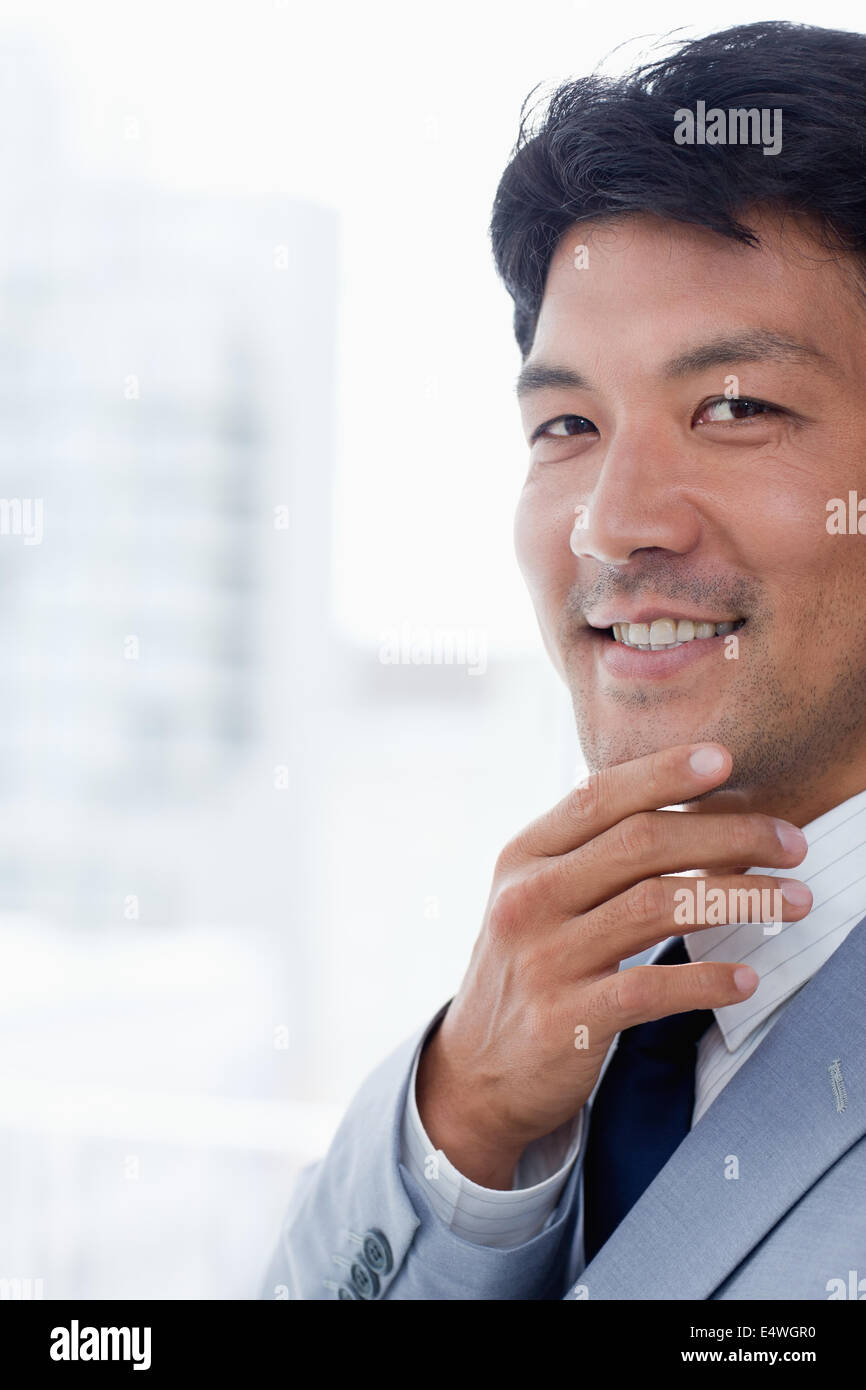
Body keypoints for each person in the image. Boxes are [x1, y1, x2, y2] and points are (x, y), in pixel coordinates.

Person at [261, 20, 866, 1300]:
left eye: (734, 408)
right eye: (566, 425)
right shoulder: (523, 1021)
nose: (609, 520)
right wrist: (466, 1131)